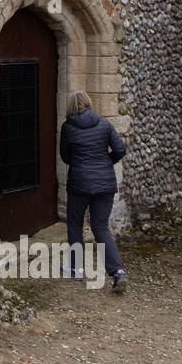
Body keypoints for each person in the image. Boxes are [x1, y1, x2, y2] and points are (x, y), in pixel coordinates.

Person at [58, 91, 129, 293]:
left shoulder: (68, 128)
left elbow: (65, 156)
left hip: (80, 183)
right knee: (100, 227)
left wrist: (81, 163)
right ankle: (118, 273)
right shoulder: (104, 123)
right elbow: (120, 150)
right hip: (105, 184)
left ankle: (76, 268)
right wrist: (106, 163)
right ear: (89, 104)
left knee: (74, 224)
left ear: (71, 107)